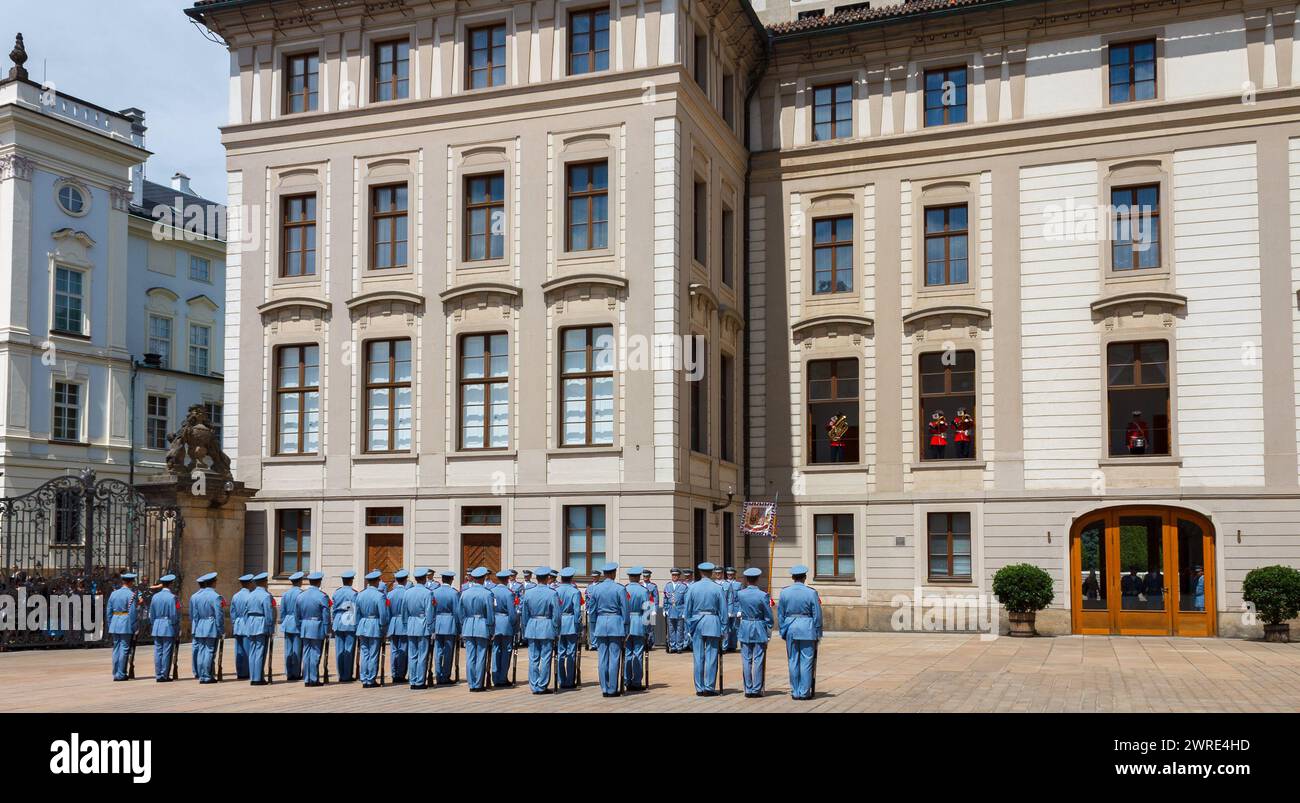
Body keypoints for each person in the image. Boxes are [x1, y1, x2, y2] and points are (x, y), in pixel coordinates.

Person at [777, 565, 823, 701]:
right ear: (804, 577)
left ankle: (795, 691)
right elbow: (817, 615)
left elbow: (780, 614)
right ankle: (804, 692)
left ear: (792, 578)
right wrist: (818, 632)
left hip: (790, 626)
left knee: (793, 660)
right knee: (806, 661)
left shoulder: (784, 592)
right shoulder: (811, 593)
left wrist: (783, 630)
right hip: (807, 627)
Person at [585, 562, 629, 697]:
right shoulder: (619, 589)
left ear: (604, 574)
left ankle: (604, 688)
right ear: (613, 573)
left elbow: (591, 610)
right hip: (615, 623)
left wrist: (593, 626)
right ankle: (612, 689)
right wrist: (626, 628)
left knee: (602, 658)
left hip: (600, 623)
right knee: (614, 657)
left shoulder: (596, 589)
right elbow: (625, 611)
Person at [685, 562, 726, 695]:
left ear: (700, 573)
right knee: (711, 656)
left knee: (698, 656)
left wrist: (688, 627)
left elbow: (687, 611)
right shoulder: (717, 588)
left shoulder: (692, 587)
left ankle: (699, 687)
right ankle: (709, 687)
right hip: (713, 621)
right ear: (712, 573)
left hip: (697, 622)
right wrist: (724, 628)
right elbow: (723, 610)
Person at [520, 566, 562, 694]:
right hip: (546, 626)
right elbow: (556, 615)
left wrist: (525, 629)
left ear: (536, 578)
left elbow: (524, 614)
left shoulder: (529, 592)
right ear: (547, 578)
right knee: (545, 657)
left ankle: (534, 685)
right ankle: (542, 685)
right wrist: (557, 630)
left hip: (532, 626)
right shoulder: (552, 593)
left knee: (533, 658)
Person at [737, 568, 774, 698]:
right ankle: (757, 688)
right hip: (758, 626)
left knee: (746, 660)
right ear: (757, 579)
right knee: (758, 659)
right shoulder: (762, 595)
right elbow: (768, 616)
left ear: (747, 580)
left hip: (746, 626)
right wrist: (769, 630)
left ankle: (748, 688)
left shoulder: (740, 594)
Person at [459, 567, 495, 691]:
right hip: (482, 625)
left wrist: (464, 625)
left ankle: (471, 684)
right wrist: (491, 630)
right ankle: (478, 684)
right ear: (484, 578)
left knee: (470, 656)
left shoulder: (465, 593)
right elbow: (490, 614)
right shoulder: (487, 593)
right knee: (481, 656)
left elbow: (461, 613)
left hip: (468, 625)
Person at [355, 570, 391, 688]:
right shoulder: (380, 596)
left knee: (365, 653)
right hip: (374, 625)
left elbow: (357, 614)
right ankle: (371, 679)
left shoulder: (360, 594)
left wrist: (358, 626)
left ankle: (364, 678)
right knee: (373, 654)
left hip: (363, 624)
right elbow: (383, 615)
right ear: (377, 581)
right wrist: (384, 628)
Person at [296, 572, 331, 687]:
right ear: (319, 582)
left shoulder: (301, 595)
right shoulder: (322, 596)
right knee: (315, 653)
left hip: (305, 626)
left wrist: (299, 627)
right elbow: (326, 614)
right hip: (317, 626)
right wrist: (327, 630)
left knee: (306, 653)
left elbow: (297, 615)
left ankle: (307, 678)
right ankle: (314, 679)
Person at [401, 568, 435, 690]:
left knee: (412, 654)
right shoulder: (427, 593)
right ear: (425, 579)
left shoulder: (407, 592)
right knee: (422, 655)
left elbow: (404, 612)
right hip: (423, 625)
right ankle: (420, 681)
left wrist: (406, 625)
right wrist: (431, 629)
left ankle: (413, 680)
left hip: (411, 624)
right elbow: (429, 612)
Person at [189, 571, 224, 684]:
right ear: (213, 583)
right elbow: (219, 615)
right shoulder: (216, 596)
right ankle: (207, 675)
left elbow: (194, 615)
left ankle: (201, 675)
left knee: (201, 651)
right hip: (211, 626)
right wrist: (221, 629)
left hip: (200, 625)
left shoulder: (197, 596)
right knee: (209, 651)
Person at [107, 572, 140, 681]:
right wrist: (134, 627)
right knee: (124, 648)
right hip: (126, 623)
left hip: (115, 622)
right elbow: (132, 613)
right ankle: (121, 673)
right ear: (131, 582)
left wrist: (110, 624)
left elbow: (109, 611)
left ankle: (116, 672)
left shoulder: (114, 593)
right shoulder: (131, 595)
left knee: (116, 648)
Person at [554, 567, 583, 688]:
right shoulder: (574, 591)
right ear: (571, 578)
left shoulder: (555, 590)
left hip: (560, 622)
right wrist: (579, 626)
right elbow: (577, 611)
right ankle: (570, 680)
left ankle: (561, 680)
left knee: (561, 653)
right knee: (571, 653)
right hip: (571, 622)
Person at [148, 573, 180, 682]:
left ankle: (158, 674)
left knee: (158, 651)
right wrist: (176, 628)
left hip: (157, 625)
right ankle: (164, 674)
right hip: (167, 626)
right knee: (167, 651)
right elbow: (174, 615)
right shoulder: (173, 598)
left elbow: (151, 614)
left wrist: (154, 624)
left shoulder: (155, 597)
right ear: (171, 584)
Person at [488, 570, 517, 685]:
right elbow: (512, 613)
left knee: (496, 650)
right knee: (506, 651)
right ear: (507, 580)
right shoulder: (509, 593)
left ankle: (495, 677)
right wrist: (514, 625)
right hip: (505, 623)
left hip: (495, 622)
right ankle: (502, 677)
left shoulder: (491, 591)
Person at [431, 570, 461, 685]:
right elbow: (456, 612)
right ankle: (446, 675)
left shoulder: (434, 592)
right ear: (451, 580)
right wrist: (459, 628)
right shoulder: (453, 593)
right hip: (449, 623)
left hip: (437, 623)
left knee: (438, 651)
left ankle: (438, 674)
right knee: (448, 651)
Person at [623, 567, 650, 691]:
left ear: (629, 577)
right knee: (638, 653)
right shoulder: (644, 591)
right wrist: (649, 629)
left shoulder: (624, 589)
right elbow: (648, 611)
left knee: (628, 653)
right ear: (639, 577)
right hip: (639, 622)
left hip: (626, 623)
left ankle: (627, 680)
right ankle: (637, 681)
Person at [246, 572, 275, 685]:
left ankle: (253, 676)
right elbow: (268, 614)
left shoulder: (250, 594)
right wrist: (271, 628)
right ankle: (258, 678)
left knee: (253, 651)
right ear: (264, 582)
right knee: (260, 651)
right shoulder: (266, 596)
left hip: (251, 623)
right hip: (261, 623)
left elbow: (246, 611)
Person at [332, 571, 359, 683]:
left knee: (339, 649)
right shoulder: (354, 593)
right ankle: (347, 674)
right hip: (349, 619)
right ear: (351, 581)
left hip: (338, 619)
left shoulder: (336, 592)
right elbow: (356, 609)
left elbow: (333, 609)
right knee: (349, 649)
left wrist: (333, 621)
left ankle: (340, 674)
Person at [386, 569, 409, 683]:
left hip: (393, 623)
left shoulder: (390, 594)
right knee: (403, 649)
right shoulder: (407, 593)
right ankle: (400, 674)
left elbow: (387, 611)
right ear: (405, 580)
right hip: (403, 623)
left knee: (394, 650)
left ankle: (394, 673)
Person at [281, 571, 305, 681]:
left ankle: (288, 672)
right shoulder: (301, 593)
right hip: (297, 623)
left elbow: (282, 611)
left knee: (288, 649)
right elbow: (302, 610)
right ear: (300, 581)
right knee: (297, 649)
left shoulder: (286, 594)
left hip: (287, 622)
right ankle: (296, 673)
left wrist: (283, 622)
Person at [230, 573, 254, 680]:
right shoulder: (250, 596)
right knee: (247, 649)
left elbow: (232, 612)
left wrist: (235, 623)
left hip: (238, 624)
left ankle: (240, 671)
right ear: (249, 583)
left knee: (239, 650)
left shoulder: (235, 596)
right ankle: (247, 671)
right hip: (246, 624)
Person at [664, 569, 688, 653]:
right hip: (670, 610)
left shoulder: (683, 586)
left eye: (676, 575)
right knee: (671, 629)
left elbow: (686, 601)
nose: (674, 577)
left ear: (679, 576)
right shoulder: (668, 586)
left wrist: (685, 611)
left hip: (680, 610)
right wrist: (665, 609)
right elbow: (665, 599)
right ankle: (673, 646)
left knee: (679, 629)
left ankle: (679, 646)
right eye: (673, 575)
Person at [723, 566, 741, 653]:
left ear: (734, 575)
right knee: (726, 628)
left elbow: (741, 598)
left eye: (731, 574)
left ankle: (733, 645)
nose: (730, 575)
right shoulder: (724, 584)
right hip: (725, 609)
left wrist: (740, 610)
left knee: (734, 628)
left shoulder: (738, 584)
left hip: (735, 609)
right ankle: (725, 646)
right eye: (728, 574)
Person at [641, 569, 660, 650]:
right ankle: (643, 643)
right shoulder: (640, 585)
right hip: (642, 608)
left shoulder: (653, 586)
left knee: (650, 628)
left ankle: (650, 644)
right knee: (642, 627)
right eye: (644, 576)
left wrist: (655, 609)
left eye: (647, 576)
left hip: (651, 608)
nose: (646, 577)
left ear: (649, 576)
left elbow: (656, 599)